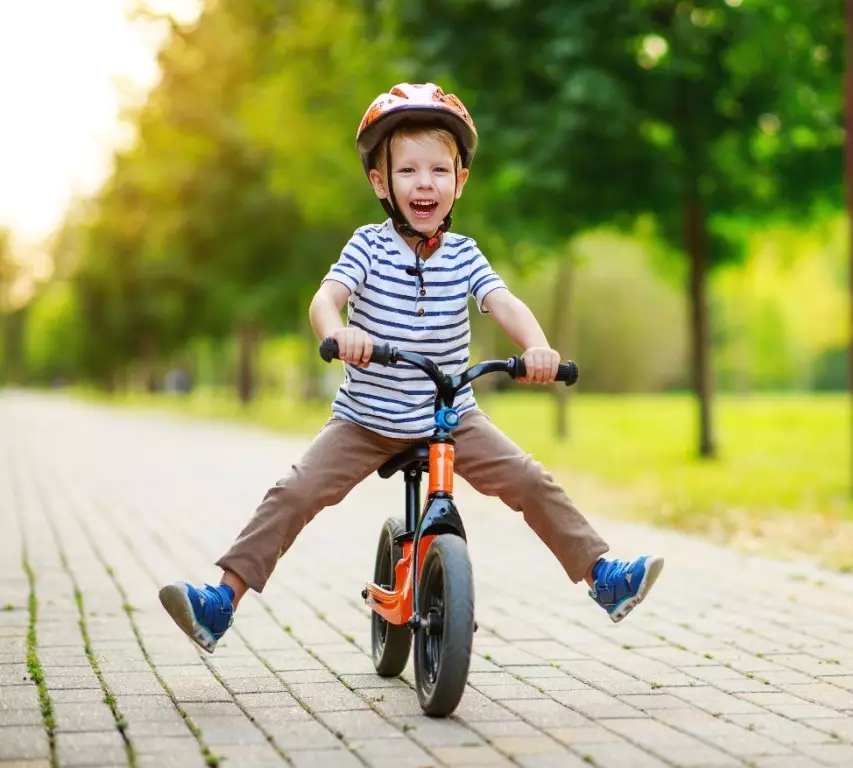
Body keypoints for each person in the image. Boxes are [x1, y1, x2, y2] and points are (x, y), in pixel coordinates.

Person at [158, 83, 664, 654]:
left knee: (529, 478)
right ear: (382, 183)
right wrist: (338, 333)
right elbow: (324, 301)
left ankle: (603, 577)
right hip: (365, 418)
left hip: (450, 416)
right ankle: (221, 602)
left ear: (459, 181)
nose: (425, 183)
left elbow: (505, 304)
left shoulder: (466, 254)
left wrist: (539, 347)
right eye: (409, 172)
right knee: (294, 492)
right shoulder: (367, 248)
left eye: (439, 171)